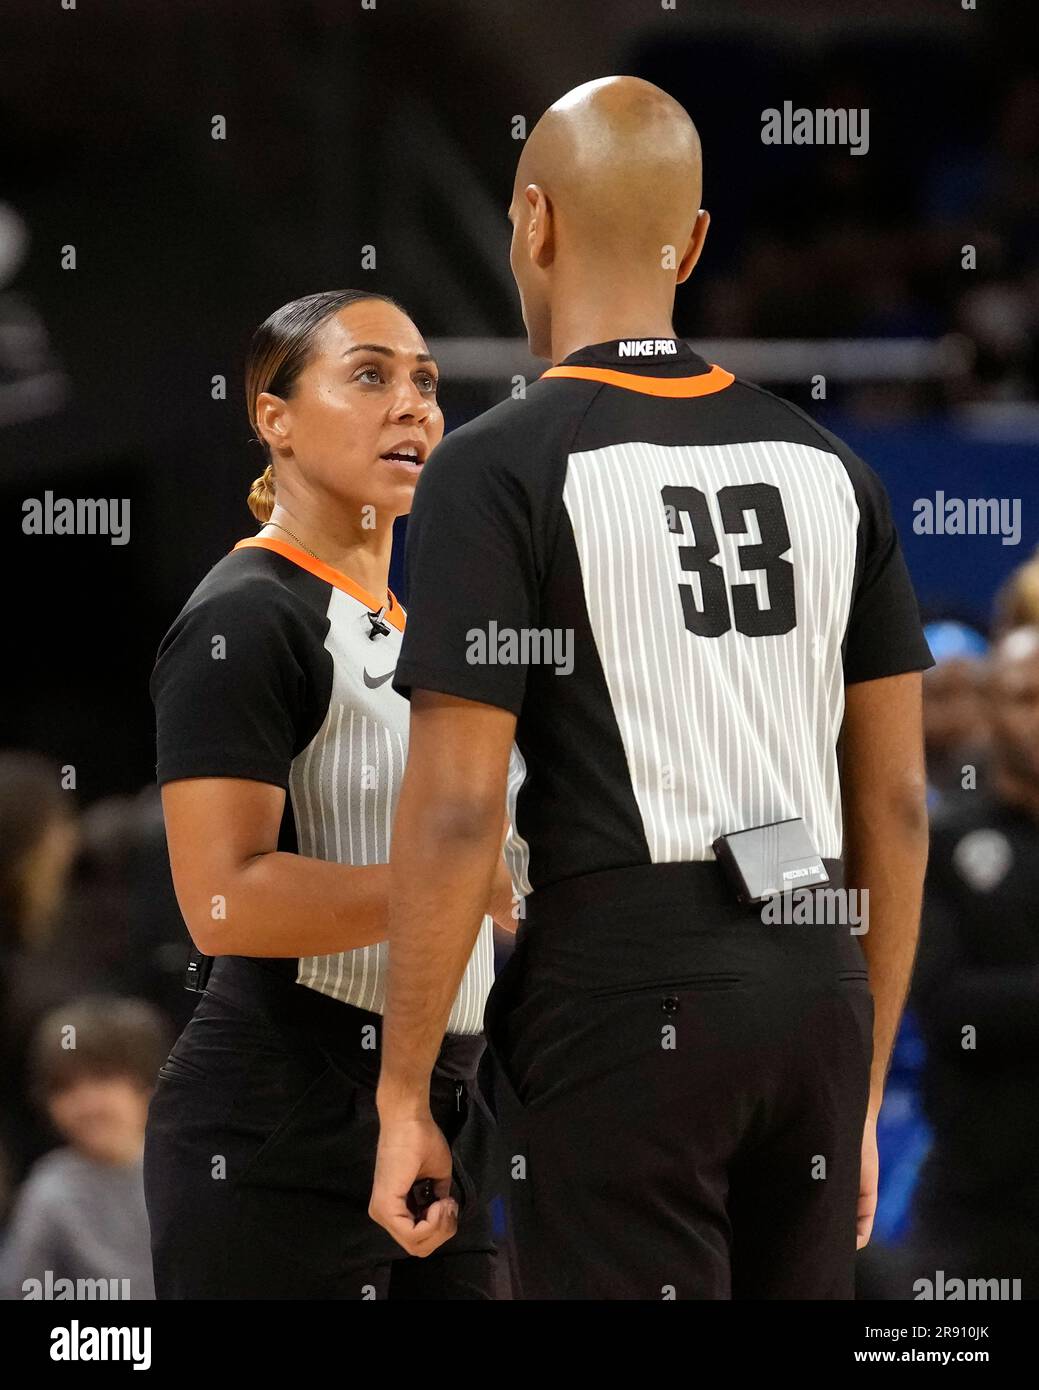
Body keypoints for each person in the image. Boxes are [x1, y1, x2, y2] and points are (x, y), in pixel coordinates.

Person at [370, 77, 933, 1299]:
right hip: (814, 979)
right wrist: (866, 1080)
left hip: (623, 990)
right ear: (692, 244)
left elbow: (460, 811)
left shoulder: (495, 466)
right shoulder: (832, 466)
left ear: (533, 222)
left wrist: (405, 1091)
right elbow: (892, 803)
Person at [145, 290, 513, 1299]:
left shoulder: (423, 618)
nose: (413, 405)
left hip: (443, 1099)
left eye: (426, 382)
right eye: (369, 375)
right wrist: (446, 884)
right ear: (275, 418)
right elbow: (219, 899)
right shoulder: (247, 618)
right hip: (276, 1121)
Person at [902, 625, 1039, 1298]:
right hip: (979, 1199)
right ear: (991, 709)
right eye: (1025, 697)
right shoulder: (946, 839)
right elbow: (948, 1006)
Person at [0, 996, 166, 1301]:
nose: (86, 1104)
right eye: (65, 1087)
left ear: (146, 1083)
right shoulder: (51, 1191)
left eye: (103, 1079)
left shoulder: (187, 1174)